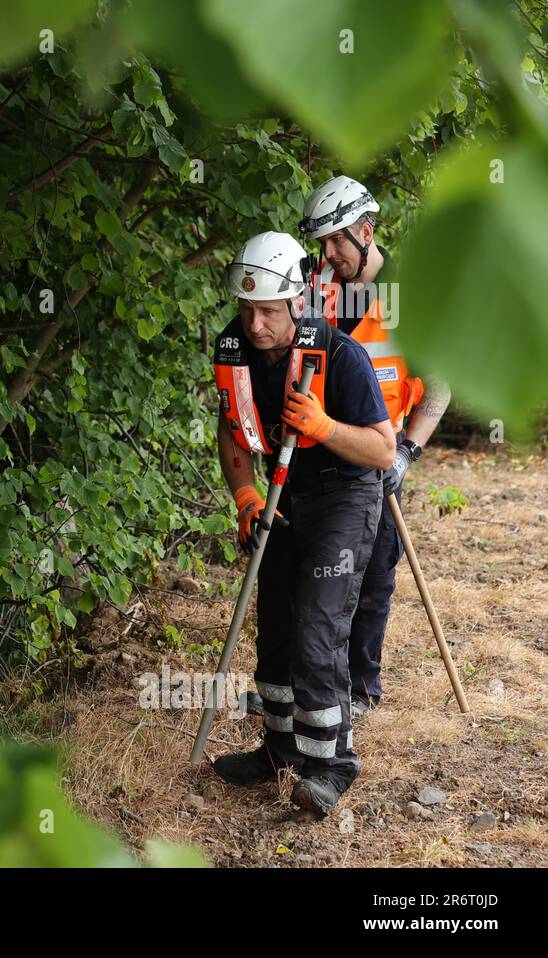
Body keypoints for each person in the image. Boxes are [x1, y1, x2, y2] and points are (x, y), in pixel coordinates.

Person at [211, 231, 396, 816]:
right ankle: (279, 748)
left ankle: (332, 763)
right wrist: (244, 494)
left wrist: (322, 427)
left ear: (296, 304)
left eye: (268, 311)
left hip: (344, 494)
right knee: (277, 627)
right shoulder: (238, 352)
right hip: (281, 494)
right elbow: (233, 434)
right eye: (246, 310)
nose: (255, 323)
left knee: (318, 623)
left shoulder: (341, 357)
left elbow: (382, 450)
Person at [299, 176, 452, 720]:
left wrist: (407, 453)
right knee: (314, 574)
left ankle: (361, 689)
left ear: (366, 231)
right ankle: (314, 687)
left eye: (337, 240)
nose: (329, 254)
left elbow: (440, 386)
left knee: (372, 577)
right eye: (321, 244)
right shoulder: (318, 288)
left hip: (378, 457)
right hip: (317, 450)